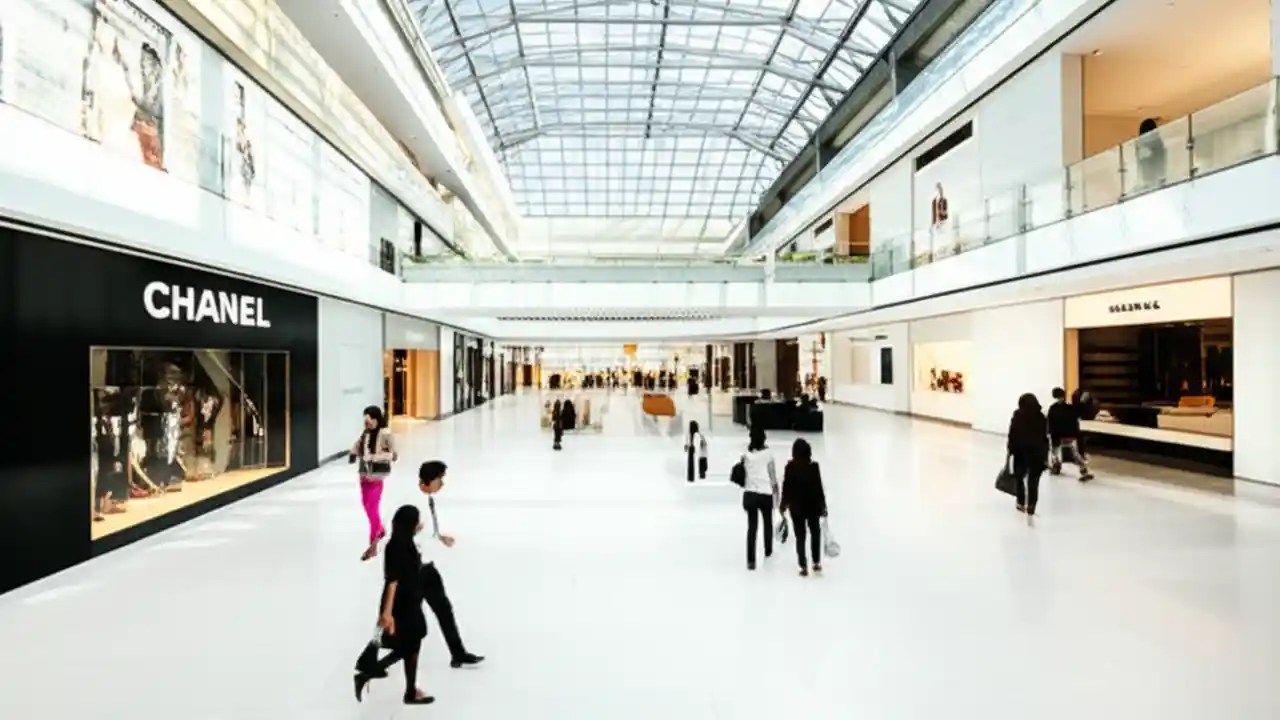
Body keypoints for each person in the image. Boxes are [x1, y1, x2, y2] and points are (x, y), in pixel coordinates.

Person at [354, 505, 434, 705]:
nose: (421, 523)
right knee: (411, 643)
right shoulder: (398, 546)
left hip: (409, 600)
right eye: (418, 520)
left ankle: (406, 689)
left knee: (411, 644)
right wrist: (387, 614)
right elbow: (392, 581)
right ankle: (376, 675)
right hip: (401, 603)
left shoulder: (404, 542)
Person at [418, 461, 485, 669]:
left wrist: (439, 536)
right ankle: (371, 656)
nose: (442, 484)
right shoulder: (412, 505)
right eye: (439, 479)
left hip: (427, 568)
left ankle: (458, 653)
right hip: (411, 570)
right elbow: (403, 536)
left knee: (444, 609)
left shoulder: (427, 499)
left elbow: (424, 531)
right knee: (395, 616)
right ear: (426, 481)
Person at [351, 406, 396, 561]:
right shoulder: (366, 432)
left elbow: (391, 454)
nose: (367, 424)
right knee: (365, 503)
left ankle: (373, 545)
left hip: (377, 474)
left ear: (376, 419)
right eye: (366, 421)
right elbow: (359, 444)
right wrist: (353, 452)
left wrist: (373, 457)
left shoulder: (385, 433)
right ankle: (380, 529)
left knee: (373, 507)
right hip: (364, 472)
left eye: (369, 420)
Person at [780, 438, 827, 577]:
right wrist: (823, 505)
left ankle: (803, 565)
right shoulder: (814, 467)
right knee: (815, 534)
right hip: (813, 506)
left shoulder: (790, 468)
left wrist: (783, 505)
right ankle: (816, 562)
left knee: (800, 536)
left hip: (796, 507)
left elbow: (786, 488)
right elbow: (819, 488)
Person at [740, 428, 779, 570]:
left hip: (750, 493)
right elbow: (772, 476)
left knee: (752, 527)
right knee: (767, 524)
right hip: (765, 493)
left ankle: (751, 560)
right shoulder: (768, 454)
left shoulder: (746, 454)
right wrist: (777, 493)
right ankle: (768, 551)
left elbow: (743, 474)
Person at [1006, 393, 1050, 516]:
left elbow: (1012, 433)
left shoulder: (1018, 415)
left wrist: (1010, 449)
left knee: (1019, 477)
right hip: (1038, 452)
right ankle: (1032, 504)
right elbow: (1044, 436)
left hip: (1021, 451)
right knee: (1033, 480)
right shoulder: (1041, 417)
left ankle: (1020, 501)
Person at [1047, 387, 1094, 482]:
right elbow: (1050, 423)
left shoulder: (1061, 409)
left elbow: (1078, 411)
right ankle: (1057, 467)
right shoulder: (1059, 409)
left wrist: (1082, 402)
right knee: (1057, 453)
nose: (1060, 399)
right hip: (1062, 435)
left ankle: (1082, 470)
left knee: (1073, 454)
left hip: (1067, 436)